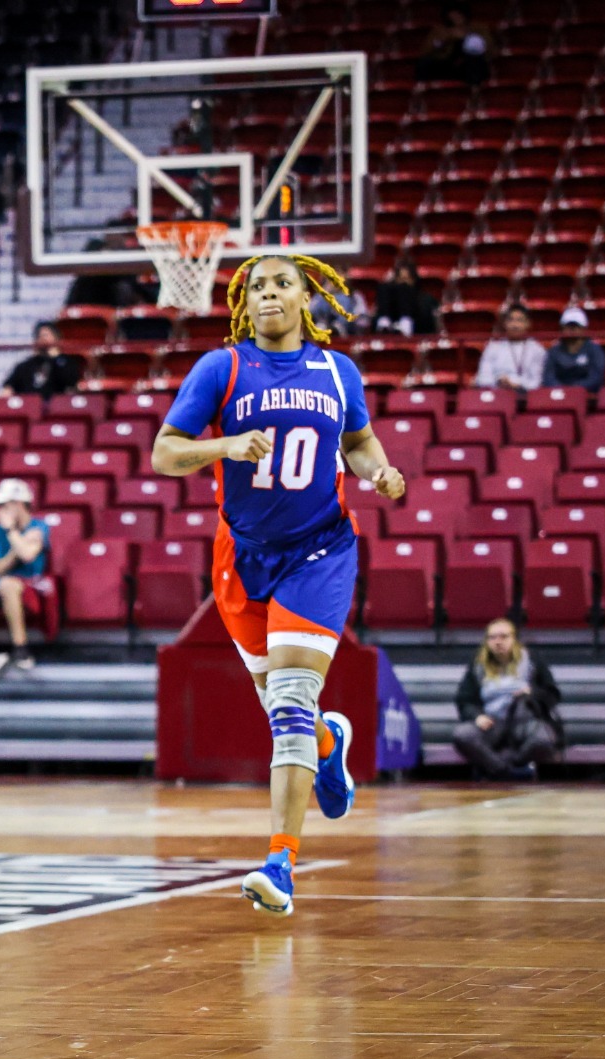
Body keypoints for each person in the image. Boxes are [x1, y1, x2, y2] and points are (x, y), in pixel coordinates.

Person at [152, 253, 405, 919]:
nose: (269, 292)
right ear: (247, 301)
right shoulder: (222, 367)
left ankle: (280, 861)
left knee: (289, 704)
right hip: (243, 558)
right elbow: (165, 451)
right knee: (286, 714)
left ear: (305, 297)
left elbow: (358, 443)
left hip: (320, 552)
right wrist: (225, 446)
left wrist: (379, 473)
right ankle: (330, 744)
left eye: (281, 283)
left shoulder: (335, 369)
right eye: (258, 284)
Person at [451, 619, 562, 781]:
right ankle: (503, 770)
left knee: (544, 739)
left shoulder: (532, 661)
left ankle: (512, 764)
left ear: (514, 639)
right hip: (492, 722)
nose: (498, 642)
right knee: (462, 735)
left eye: (503, 637)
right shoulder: (478, 665)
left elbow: (553, 694)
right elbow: (464, 699)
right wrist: (477, 716)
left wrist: (532, 692)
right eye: (492, 637)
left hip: (525, 721)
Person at [0, 479, 55, 685]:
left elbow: (28, 555)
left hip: (32, 585)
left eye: (3, 505)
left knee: (8, 584)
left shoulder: (38, 527)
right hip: (2, 585)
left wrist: (11, 533)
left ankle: (21, 649)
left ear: (18, 504)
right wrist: (15, 547)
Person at [416, 2, 491, 85]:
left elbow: (491, 50)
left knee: (475, 63)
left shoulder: (479, 28)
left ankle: (474, 91)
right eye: (453, 13)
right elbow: (425, 52)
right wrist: (444, 40)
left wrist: (468, 38)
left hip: (470, 64)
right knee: (424, 63)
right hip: (447, 64)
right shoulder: (439, 30)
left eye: (459, 13)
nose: (456, 16)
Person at [3, 322, 82, 400]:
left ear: (56, 338)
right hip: (31, 407)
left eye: (46, 335)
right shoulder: (25, 366)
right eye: (39, 336)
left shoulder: (67, 363)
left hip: (58, 407)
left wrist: (55, 358)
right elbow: (8, 388)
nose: (42, 339)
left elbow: (72, 386)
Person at [474, 305, 546, 391]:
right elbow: (482, 378)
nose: (514, 325)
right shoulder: (492, 347)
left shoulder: (537, 349)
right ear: (504, 323)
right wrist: (498, 381)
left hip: (526, 396)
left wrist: (516, 384)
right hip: (498, 395)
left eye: (520, 320)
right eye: (510, 320)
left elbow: (537, 382)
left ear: (528, 323)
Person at [543, 308, 605, 391]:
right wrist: (562, 389)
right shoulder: (554, 351)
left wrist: (575, 389)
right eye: (568, 326)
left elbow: (596, 377)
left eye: (576, 326)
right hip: (559, 395)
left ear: (584, 328)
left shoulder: (595, 350)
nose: (572, 330)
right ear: (562, 328)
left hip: (587, 395)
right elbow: (548, 377)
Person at [371, 262, 439, 336]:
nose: (403, 283)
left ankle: (405, 322)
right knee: (383, 287)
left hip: (416, 332)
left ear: (413, 280)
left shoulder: (425, 300)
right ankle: (384, 322)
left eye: (406, 279)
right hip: (390, 331)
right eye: (400, 279)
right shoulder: (388, 303)